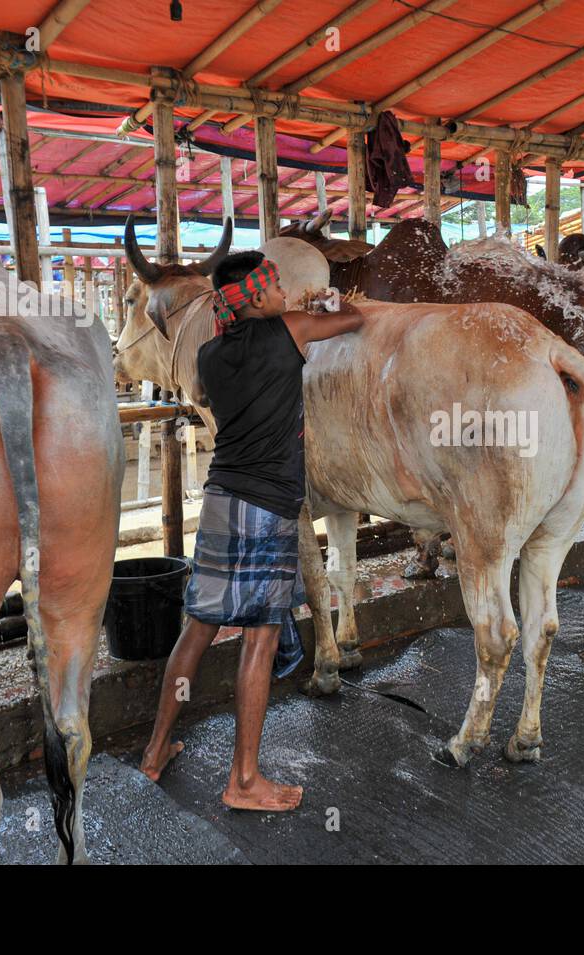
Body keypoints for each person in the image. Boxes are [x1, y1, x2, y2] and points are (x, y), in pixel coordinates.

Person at [140, 251, 364, 811]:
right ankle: (243, 780)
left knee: (197, 629)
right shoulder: (290, 331)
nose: (283, 290)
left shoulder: (209, 355)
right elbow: (354, 320)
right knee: (260, 637)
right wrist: (326, 304)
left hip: (221, 500)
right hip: (267, 507)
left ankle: (154, 751)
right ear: (256, 297)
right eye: (274, 285)